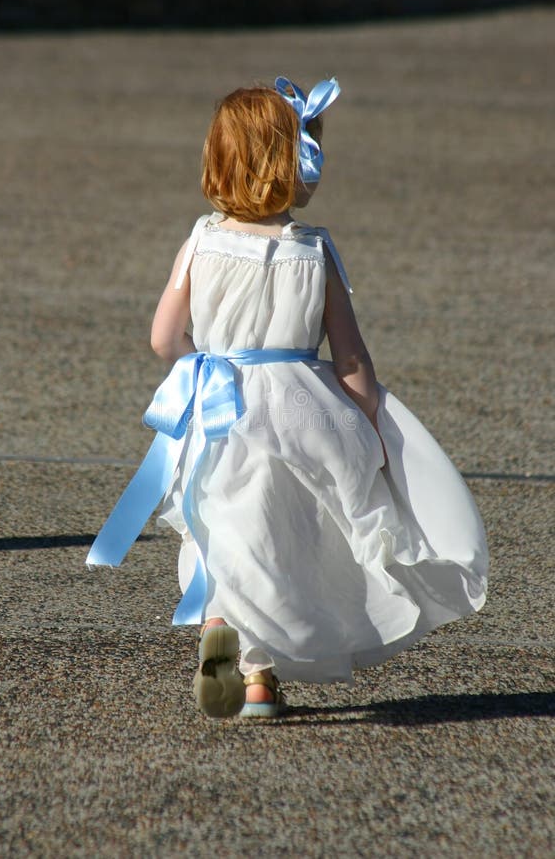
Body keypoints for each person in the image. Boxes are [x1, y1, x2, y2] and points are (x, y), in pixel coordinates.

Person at [87, 76, 489, 721]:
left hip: (222, 408)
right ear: (293, 164)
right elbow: (352, 357)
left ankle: (220, 629)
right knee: (289, 538)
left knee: (221, 525)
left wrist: (205, 367)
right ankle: (259, 681)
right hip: (304, 408)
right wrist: (371, 431)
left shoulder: (201, 242)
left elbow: (164, 338)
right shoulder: (315, 251)